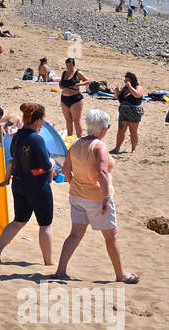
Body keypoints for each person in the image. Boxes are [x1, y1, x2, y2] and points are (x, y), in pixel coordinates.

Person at [54, 109, 138, 283]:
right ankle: (120, 274)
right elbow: (102, 172)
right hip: (96, 198)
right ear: (103, 129)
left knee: (75, 234)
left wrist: (75, 184)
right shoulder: (99, 146)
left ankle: (60, 270)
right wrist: (106, 196)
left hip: (77, 195)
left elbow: (66, 170)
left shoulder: (76, 143)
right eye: (107, 127)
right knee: (111, 236)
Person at [0, 103, 55, 266]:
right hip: (37, 187)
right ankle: (48, 262)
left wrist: (6, 178)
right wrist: (53, 162)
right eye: (43, 120)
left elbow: (12, 160)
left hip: (18, 184)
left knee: (18, 221)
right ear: (38, 120)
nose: (44, 123)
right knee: (45, 225)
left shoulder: (16, 136)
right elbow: (45, 166)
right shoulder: (36, 138)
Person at [114, 72, 144, 153]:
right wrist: (116, 92)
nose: (126, 82)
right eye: (125, 80)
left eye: (128, 80)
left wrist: (130, 87)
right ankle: (117, 148)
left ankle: (133, 149)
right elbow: (119, 99)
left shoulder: (138, 87)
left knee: (133, 131)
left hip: (134, 112)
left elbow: (137, 95)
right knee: (121, 130)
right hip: (123, 112)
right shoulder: (124, 88)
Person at [58, 57, 87, 138]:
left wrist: (79, 84)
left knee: (76, 121)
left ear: (74, 65)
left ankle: (79, 140)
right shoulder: (64, 73)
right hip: (64, 99)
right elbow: (61, 82)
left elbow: (88, 81)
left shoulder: (78, 73)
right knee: (68, 120)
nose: (68, 67)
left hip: (75, 100)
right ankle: (69, 139)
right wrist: (60, 85)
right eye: (67, 65)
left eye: (70, 65)